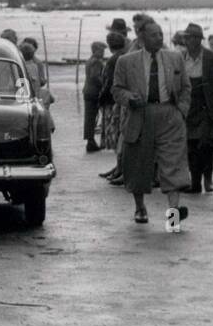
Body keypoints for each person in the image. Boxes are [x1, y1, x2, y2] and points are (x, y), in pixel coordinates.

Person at [111, 18, 191, 225]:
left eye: (161, 34)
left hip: (169, 115)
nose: (160, 38)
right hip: (140, 115)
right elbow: (116, 90)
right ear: (141, 37)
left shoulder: (175, 58)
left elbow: (185, 87)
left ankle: (173, 217)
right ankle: (140, 208)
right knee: (137, 165)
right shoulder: (126, 61)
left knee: (173, 165)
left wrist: (181, 111)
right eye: (154, 34)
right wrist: (129, 98)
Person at [178, 23, 213, 194]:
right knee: (190, 145)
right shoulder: (180, 57)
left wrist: (212, 99)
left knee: (205, 144)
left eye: (189, 37)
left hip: (207, 107)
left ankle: (208, 179)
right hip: (188, 107)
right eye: (184, 37)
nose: (185, 40)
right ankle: (195, 182)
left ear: (198, 39)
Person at [98, 31, 127, 169]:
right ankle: (119, 168)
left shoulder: (113, 60)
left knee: (115, 135)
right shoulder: (126, 55)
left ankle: (120, 168)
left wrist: (101, 98)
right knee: (121, 135)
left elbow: (109, 82)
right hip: (121, 99)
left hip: (113, 101)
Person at [82, 40, 106, 153]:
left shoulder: (89, 61)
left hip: (88, 91)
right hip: (93, 92)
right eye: (101, 50)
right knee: (92, 117)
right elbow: (95, 77)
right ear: (96, 50)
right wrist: (104, 85)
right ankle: (90, 142)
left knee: (89, 117)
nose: (103, 53)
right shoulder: (96, 62)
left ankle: (90, 141)